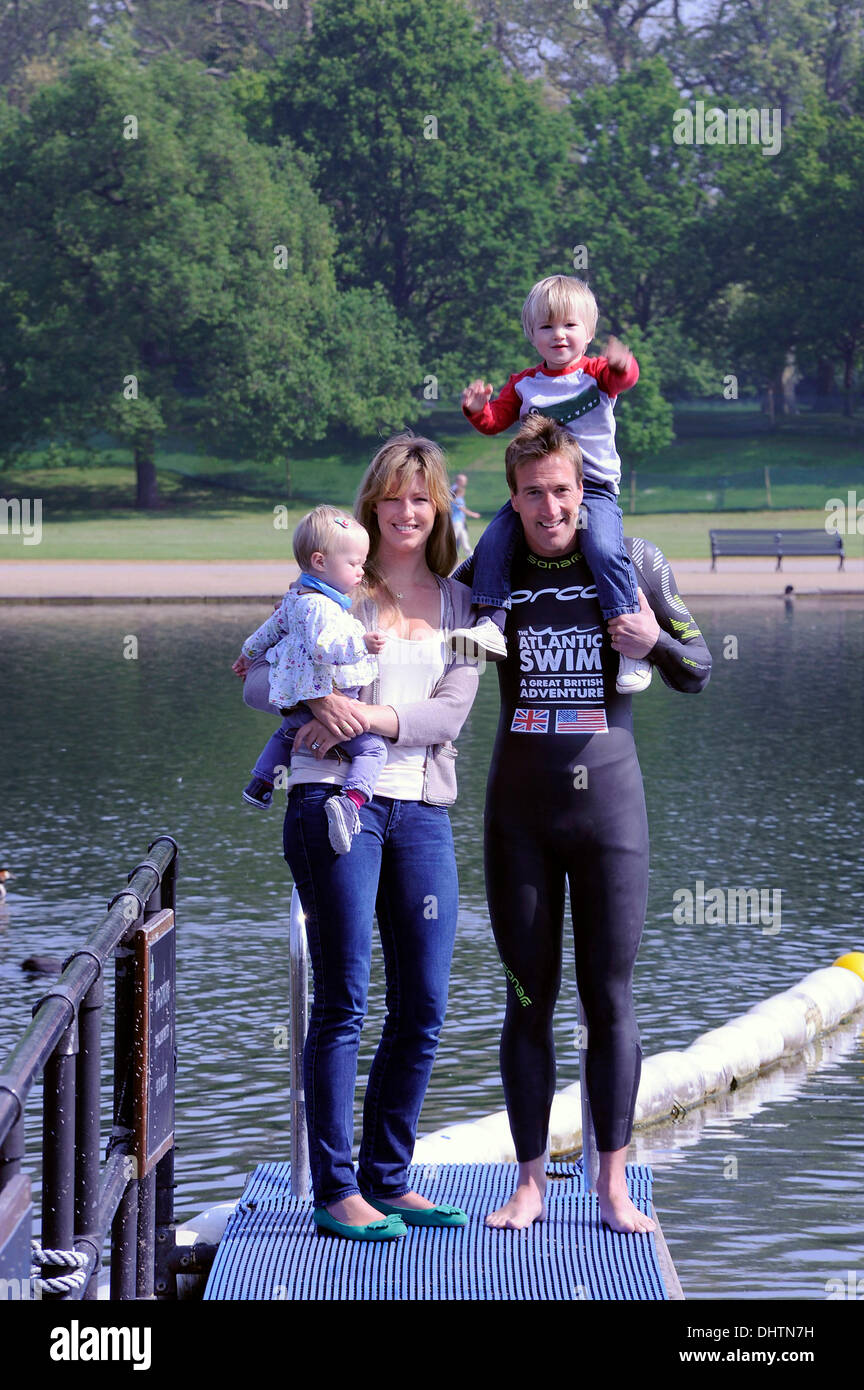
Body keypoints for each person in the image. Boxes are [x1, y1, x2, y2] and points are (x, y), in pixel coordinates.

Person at [454, 413, 712, 1234]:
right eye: (533, 494)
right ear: (515, 498)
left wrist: (656, 644)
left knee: (610, 999)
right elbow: (418, 626)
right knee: (527, 1001)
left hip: (609, 814)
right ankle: (529, 1184)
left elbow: (700, 668)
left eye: (562, 491)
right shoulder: (492, 569)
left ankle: (612, 1187)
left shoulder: (634, 562)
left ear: (584, 489)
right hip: (520, 817)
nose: (550, 507)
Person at [237, 434, 480, 1241]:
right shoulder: (333, 588)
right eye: (392, 498)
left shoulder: (463, 602)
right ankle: (337, 1191)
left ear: (438, 508)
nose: (407, 512)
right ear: (371, 505)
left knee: (426, 1006)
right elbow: (256, 681)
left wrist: (366, 716)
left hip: (422, 812)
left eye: (422, 499)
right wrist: (309, 706)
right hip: (331, 804)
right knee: (342, 1000)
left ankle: (389, 1177)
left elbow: (449, 713)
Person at [455, 274, 651, 695]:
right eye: (546, 327)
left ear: (589, 332)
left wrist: (622, 364)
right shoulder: (525, 384)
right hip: (538, 488)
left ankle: (629, 636)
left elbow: (625, 378)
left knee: (601, 545)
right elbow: (495, 422)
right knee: (493, 539)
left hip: (592, 487)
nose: (558, 335)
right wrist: (476, 409)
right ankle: (491, 622)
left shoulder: (597, 374)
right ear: (531, 334)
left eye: (569, 325)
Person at [233, 505, 387, 855]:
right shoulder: (320, 607)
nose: (361, 570)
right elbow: (324, 647)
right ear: (320, 562)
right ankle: (351, 801)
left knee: (289, 732)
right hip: (321, 693)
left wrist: (248, 653)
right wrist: (360, 644)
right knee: (373, 749)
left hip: (298, 696)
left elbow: (269, 630)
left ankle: (260, 783)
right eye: (353, 563)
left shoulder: (295, 598)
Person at [450, 472, 480, 555]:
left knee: (464, 539)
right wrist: (473, 514)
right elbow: (462, 508)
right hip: (456, 521)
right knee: (453, 539)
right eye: (464, 481)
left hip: (459, 521)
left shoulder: (457, 493)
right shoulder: (455, 492)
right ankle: (448, 555)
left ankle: (471, 555)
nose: (465, 483)